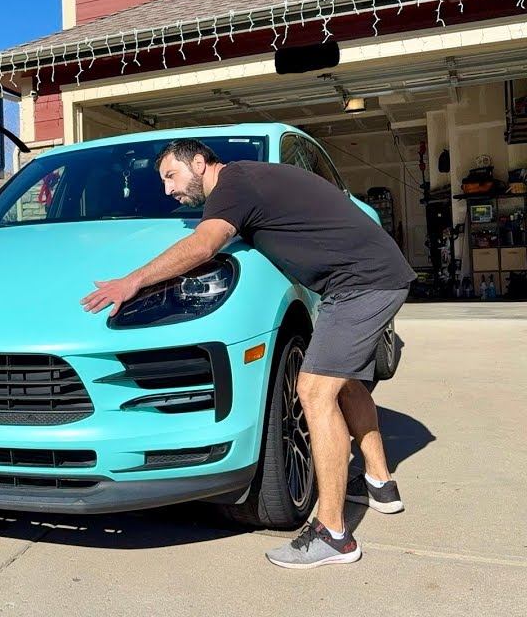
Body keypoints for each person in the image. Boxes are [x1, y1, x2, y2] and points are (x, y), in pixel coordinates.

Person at [80, 138, 416, 569]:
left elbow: (203, 245)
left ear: (199, 163)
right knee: (345, 383)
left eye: (171, 176)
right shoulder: (249, 180)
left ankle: (332, 535)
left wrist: (132, 281)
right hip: (365, 278)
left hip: (361, 283)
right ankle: (380, 484)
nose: (168, 190)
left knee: (314, 391)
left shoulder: (233, 184)